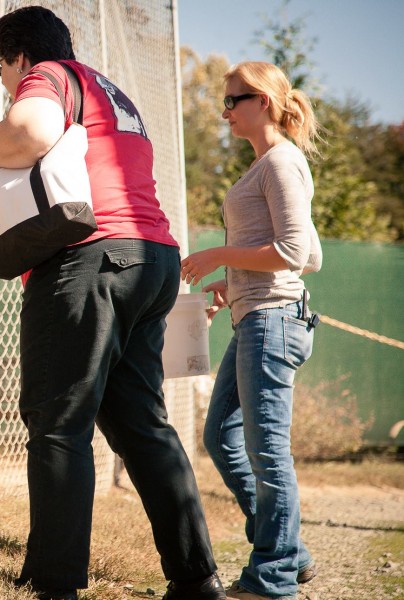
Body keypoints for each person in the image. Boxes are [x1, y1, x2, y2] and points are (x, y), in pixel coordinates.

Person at [0, 7, 225, 600]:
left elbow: (29, 134)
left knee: (58, 424)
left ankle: (55, 586)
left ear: (19, 55)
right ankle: (196, 578)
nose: (3, 81)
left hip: (91, 264)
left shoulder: (48, 77)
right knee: (141, 425)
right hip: (149, 258)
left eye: (0, 68)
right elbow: (62, 198)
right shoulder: (110, 92)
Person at [180, 61, 323, 600]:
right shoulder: (269, 165)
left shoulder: (281, 163)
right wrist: (231, 281)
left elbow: (292, 253)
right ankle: (291, 552)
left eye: (234, 100)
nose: (225, 112)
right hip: (255, 317)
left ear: (262, 100)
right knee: (221, 437)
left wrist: (219, 254)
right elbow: (310, 253)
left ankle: (273, 577)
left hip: (272, 323)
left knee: (267, 453)